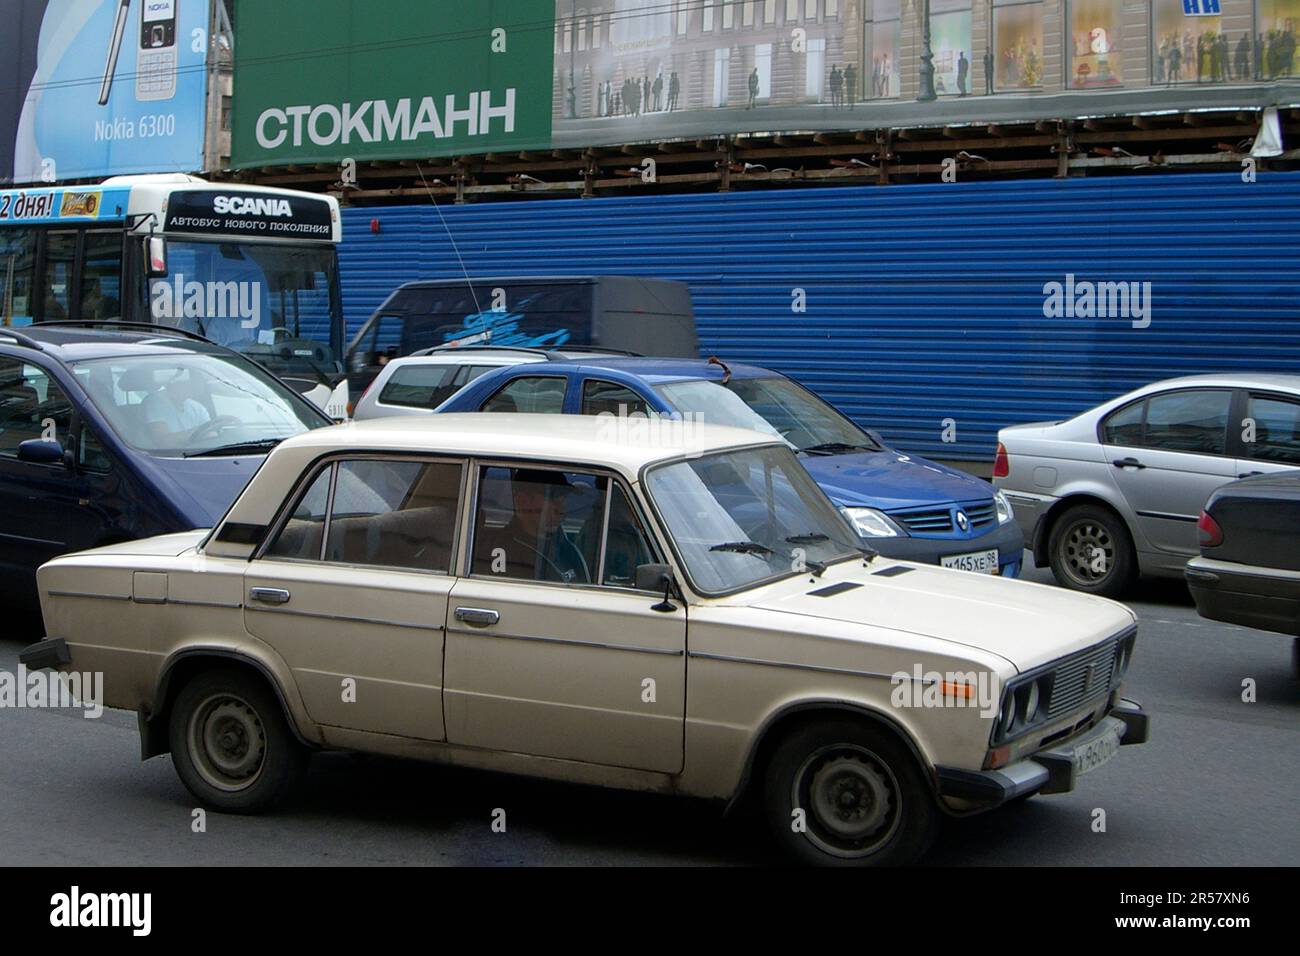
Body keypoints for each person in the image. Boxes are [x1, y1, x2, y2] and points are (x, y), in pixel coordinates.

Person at [474, 469, 592, 584]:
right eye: (553, 500)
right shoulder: (500, 551)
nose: (561, 510)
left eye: (563, 501)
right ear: (523, 501)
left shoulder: (564, 546)